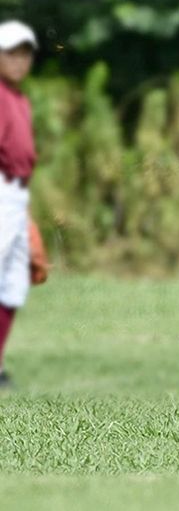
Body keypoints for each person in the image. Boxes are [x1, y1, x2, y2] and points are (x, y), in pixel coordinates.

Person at [0, 20, 39, 388]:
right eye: (11, 53)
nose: (19, 60)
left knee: (12, 284)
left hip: (15, 195)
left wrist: (24, 212)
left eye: (24, 53)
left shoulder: (19, 99)